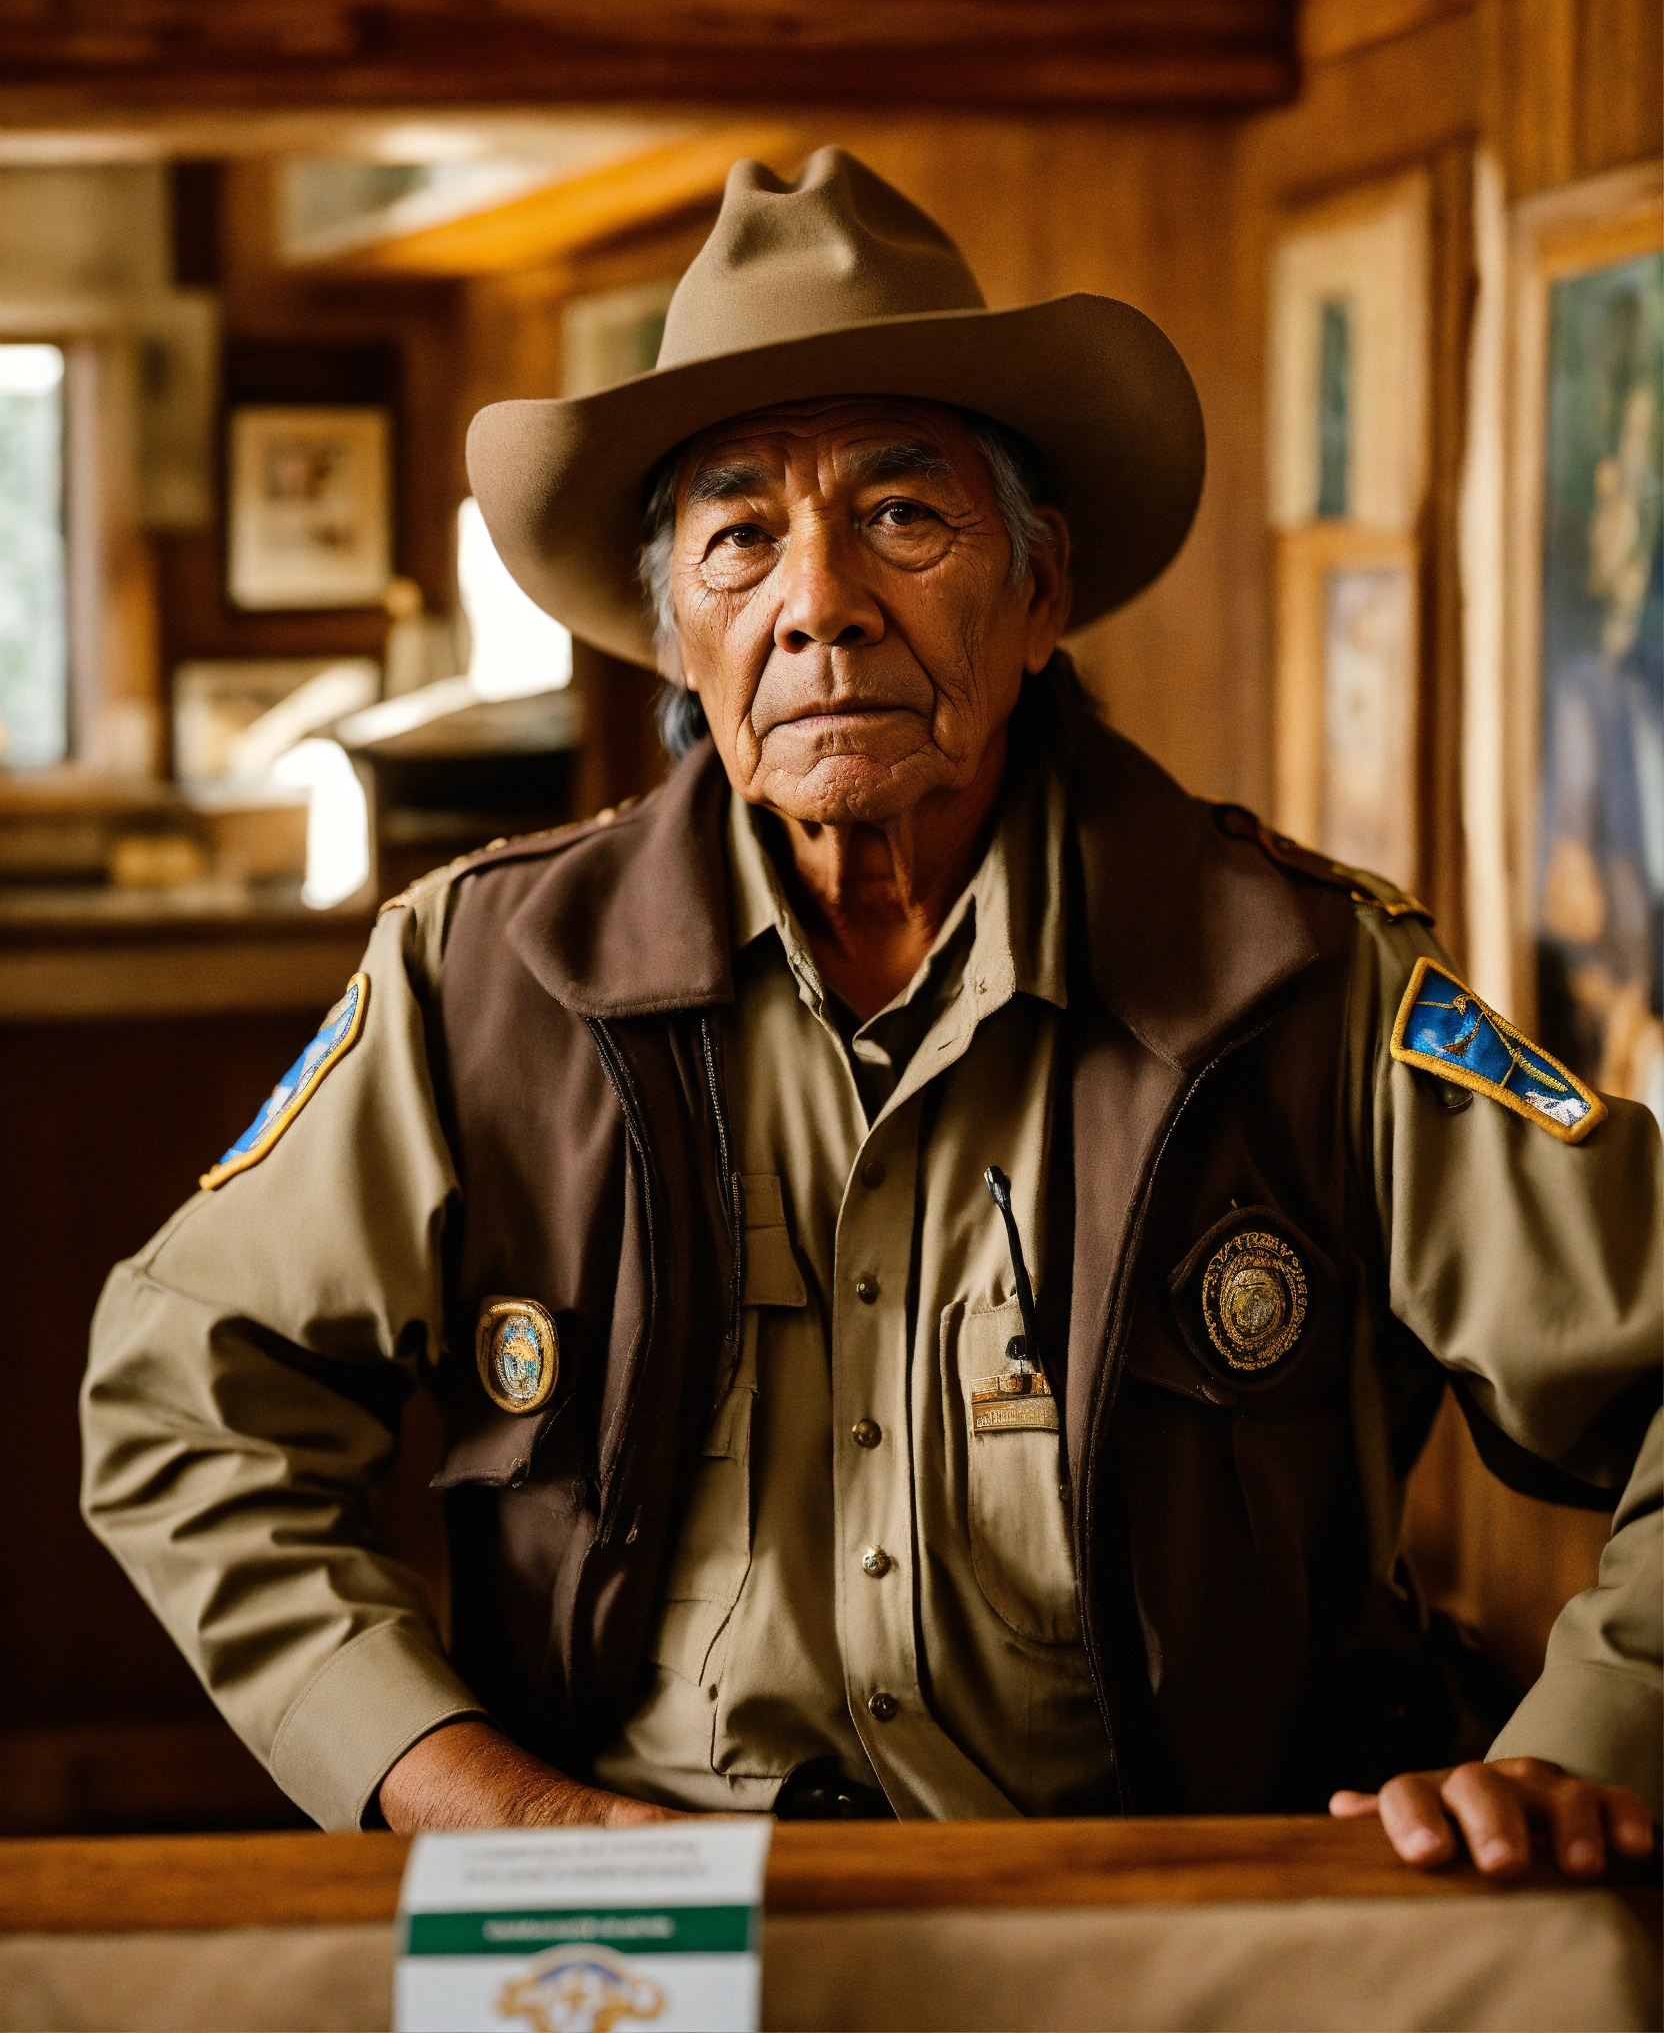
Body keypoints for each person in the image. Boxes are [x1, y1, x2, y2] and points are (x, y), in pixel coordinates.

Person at [82, 150, 1659, 1880]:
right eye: (741, 535)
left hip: (1160, 1928)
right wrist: (480, 1808)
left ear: (1039, 592)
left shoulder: (1300, 987)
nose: (817, 600)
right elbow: (180, 1411)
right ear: (677, 634)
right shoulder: (480, 980)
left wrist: (1574, 1752)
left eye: (904, 518)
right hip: (624, 1929)